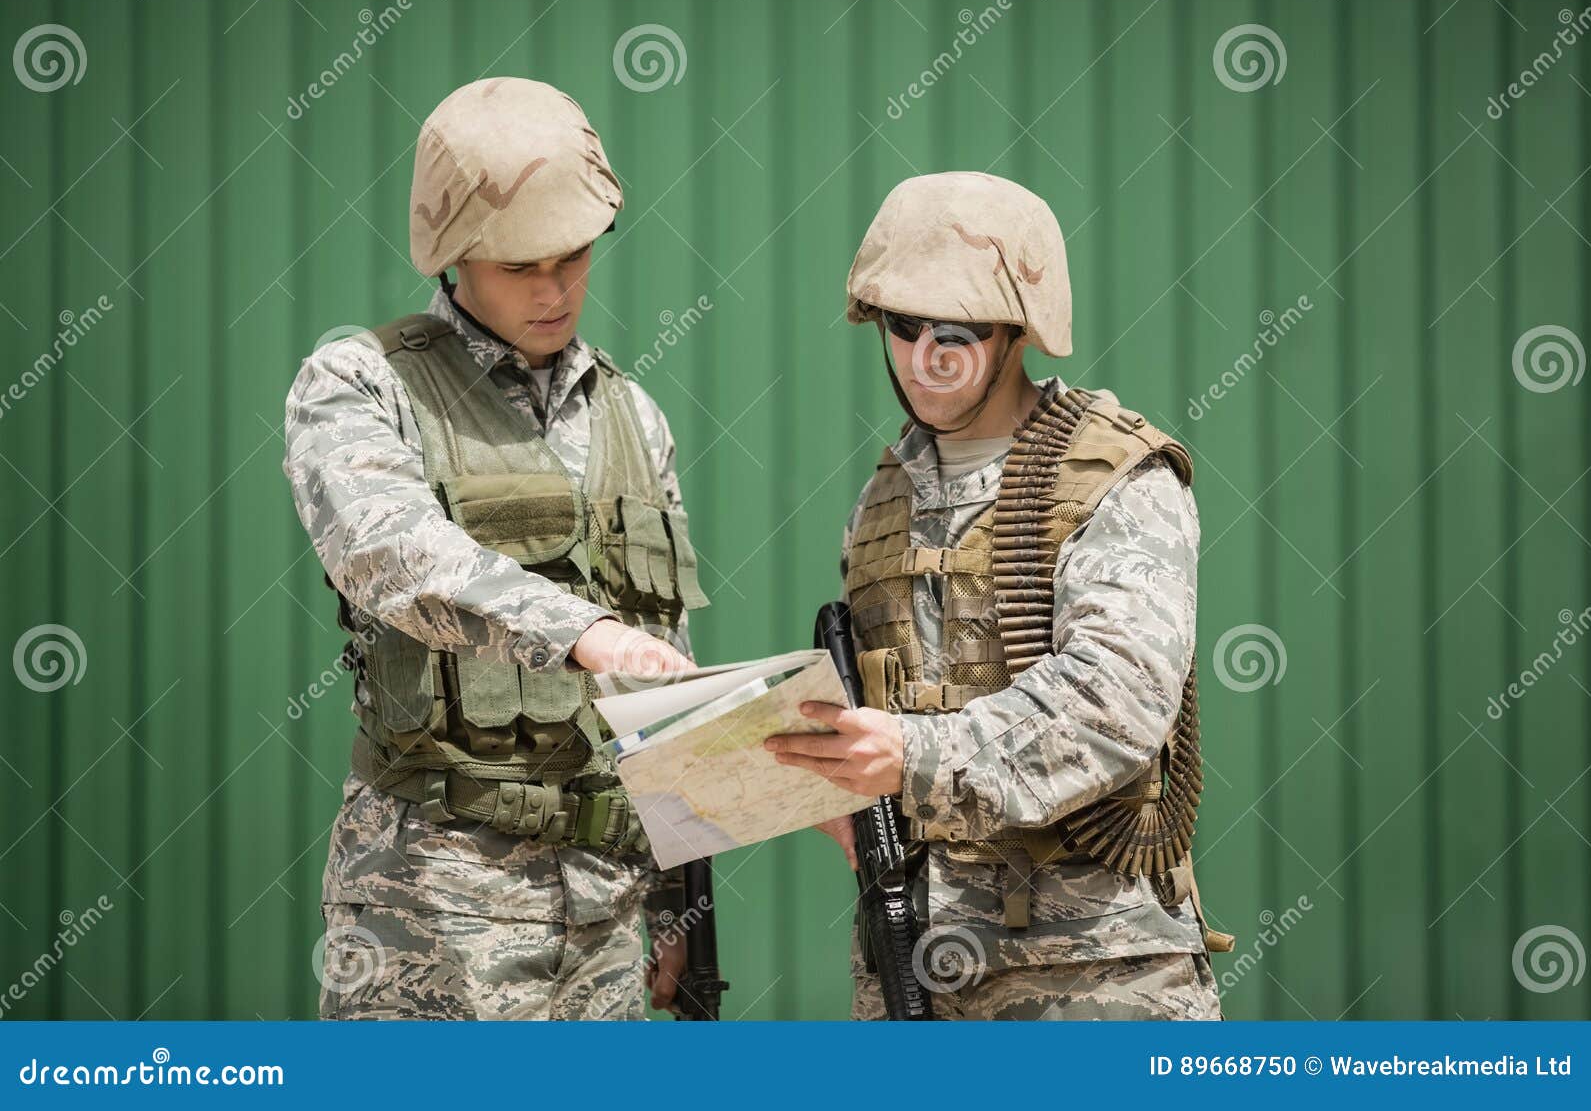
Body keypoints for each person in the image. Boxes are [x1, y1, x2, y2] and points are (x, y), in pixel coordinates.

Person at [282, 76, 707, 1019]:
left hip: (604, 908)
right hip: (431, 899)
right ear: (455, 257)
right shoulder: (360, 383)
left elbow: (667, 667)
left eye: (572, 257)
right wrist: (584, 633)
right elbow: (389, 553)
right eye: (521, 266)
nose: (555, 290)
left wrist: (682, 900)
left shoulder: (632, 416)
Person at [767, 171, 1230, 1020]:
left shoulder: (1115, 476)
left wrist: (910, 755)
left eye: (956, 332)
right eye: (903, 328)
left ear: (1017, 332)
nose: (922, 358)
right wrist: (834, 782)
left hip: (1092, 976)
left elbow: (1117, 700)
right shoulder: (883, 501)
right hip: (915, 962)